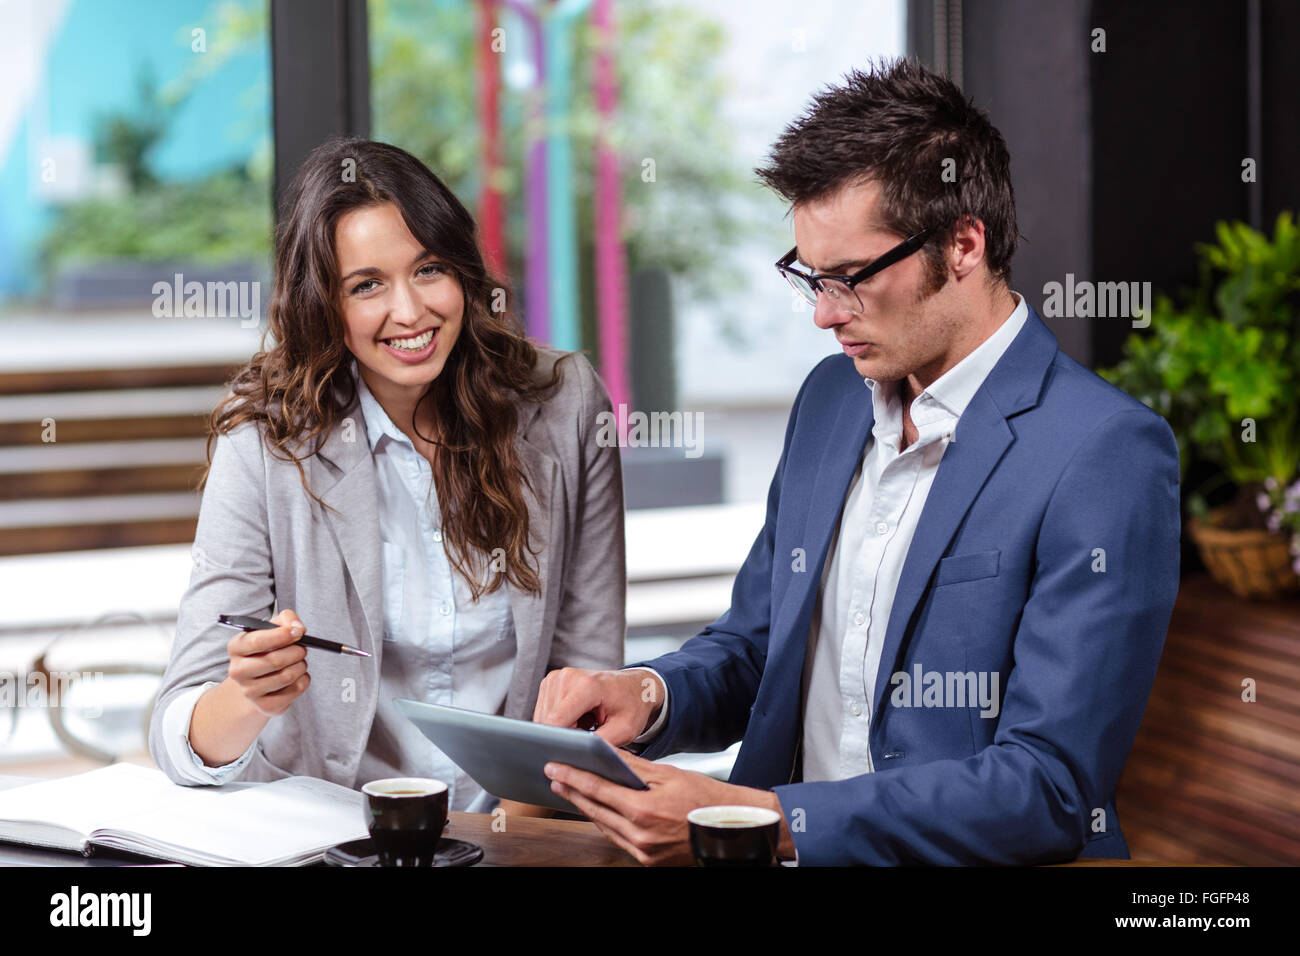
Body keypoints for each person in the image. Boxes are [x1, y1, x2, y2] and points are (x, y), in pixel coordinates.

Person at [533, 58, 1181, 864]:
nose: (824, 314)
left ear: (964, 243)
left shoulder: (1105, 451)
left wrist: (769, 821)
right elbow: (760, 644)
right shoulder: (833, 400)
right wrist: (648, 693)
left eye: (850, 279)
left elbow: (1047, 788)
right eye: (809, 277)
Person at [148, 138, 626, 815]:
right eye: (366, 285)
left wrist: (506, 837)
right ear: (323, 305)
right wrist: (247, 698)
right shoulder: (265, 445)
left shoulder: (564, 403)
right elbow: (177, 734)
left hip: (517, 834)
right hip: (328, 839)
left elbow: (590, 674)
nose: (410, 313)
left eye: (429, 270)